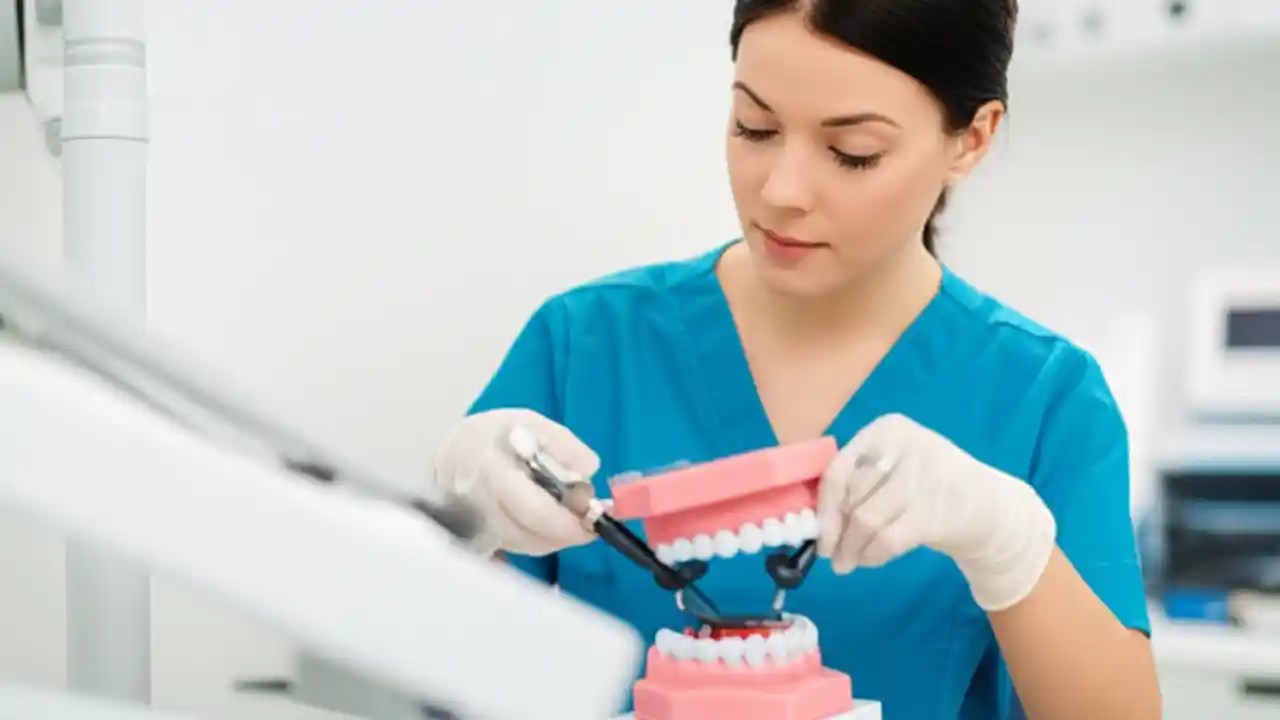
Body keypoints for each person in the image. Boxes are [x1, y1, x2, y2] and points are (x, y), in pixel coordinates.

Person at [429, 1, 1162, 717]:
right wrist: (460, 530)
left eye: (853, 153)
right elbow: (436, 661)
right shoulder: (585, 345)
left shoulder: (1045, 398)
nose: (780, 192)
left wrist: (1009, 546)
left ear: (971, 139)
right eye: (755, 127)